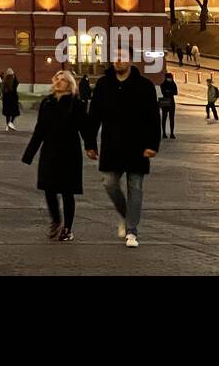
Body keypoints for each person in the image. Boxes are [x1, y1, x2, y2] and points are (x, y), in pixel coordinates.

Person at [85, 57, 159, 248]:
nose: (118, 60)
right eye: (115, 57)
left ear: (130, 61)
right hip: (112, 145)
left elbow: (153, 117)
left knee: (136, 187)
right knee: (109, 182)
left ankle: (132, 231)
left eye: (122, 56)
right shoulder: (103, 85)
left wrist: (153, 145)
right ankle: (127, 216)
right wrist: (90, 143)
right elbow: (94, 116)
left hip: (138, 146)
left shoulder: (145, 85)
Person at [22, 69, 90, 241]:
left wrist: (90, 147)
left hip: (69, 152)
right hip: (50, 151)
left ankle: (68, 228)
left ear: (70, 84)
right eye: (57, 79)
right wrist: (29, 154)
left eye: (63, 80)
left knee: (68, 192)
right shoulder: (47, 102)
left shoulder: (76, 103)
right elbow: (40, 130)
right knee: (48, 188)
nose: (59, 82)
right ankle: (56, 220)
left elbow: (84, 128)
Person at [159, 72, 178, 139]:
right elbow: (164, 92)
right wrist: (170, 92)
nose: (170, 79)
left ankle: (172, 133)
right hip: (165, 100)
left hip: (171, 101)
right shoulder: (163, 84)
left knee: (171, 118)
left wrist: (169, 91)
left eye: (171, 78)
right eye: (169, 78)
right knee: (164, 118)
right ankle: (164, 133)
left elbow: (176, 92)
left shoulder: (173, 84)